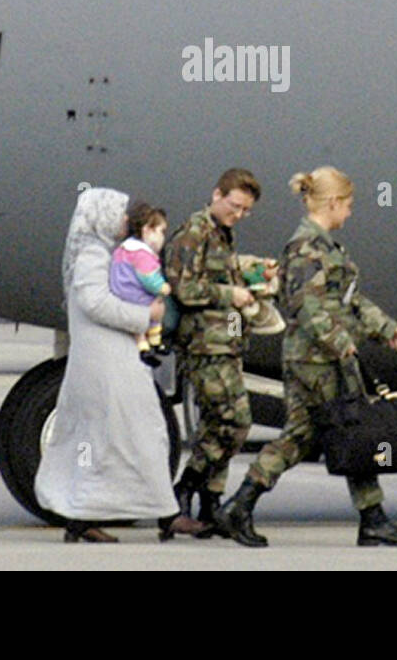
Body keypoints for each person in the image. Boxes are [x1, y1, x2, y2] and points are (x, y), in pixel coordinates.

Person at [215, 167, 397, 548]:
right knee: (348, 429)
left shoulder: (322, 247)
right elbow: (307, 308)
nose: (350, 212)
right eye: (348, 204)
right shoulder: (307, 249)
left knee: (319, 434)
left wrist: (384, 327)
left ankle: (241, 505)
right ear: (332, 203)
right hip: (317, 362)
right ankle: (370, 518)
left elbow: (348, 299)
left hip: (318, 358)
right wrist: (339, 342)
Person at [34, 188, 207, 542]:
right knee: (126, 437)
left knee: (133, 436)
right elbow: (96, 304)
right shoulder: (92, 257)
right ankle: (99, 516)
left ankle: (146, 513)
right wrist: (147, 315)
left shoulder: (102, 253)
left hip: (113, 360)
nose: (126, 220)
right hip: (106, 365)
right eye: (119, 213)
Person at [164, 168, 274, 532]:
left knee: (215, 423)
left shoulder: (221, 235)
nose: (238, 214)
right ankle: (184, 491)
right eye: (235, 206)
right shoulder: (192, 234)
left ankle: (209, 504)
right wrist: (232, 295)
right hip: (204, 346)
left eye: (245, 210)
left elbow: (223, 277)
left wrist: (257, 276)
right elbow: (183, 288)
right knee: (236, 422)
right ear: (216, 195)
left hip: (224, 343)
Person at [109, 201, 172, 365]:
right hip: (136, 296)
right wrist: (163, 287)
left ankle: (143, 344)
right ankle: (153, 342)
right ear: (147, 229)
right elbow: (149, 277)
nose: (162, 237)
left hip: (121, 293)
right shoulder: (142, 254)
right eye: (161, 231)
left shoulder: (122, 250)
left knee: (141, 325)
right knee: (158, 309)